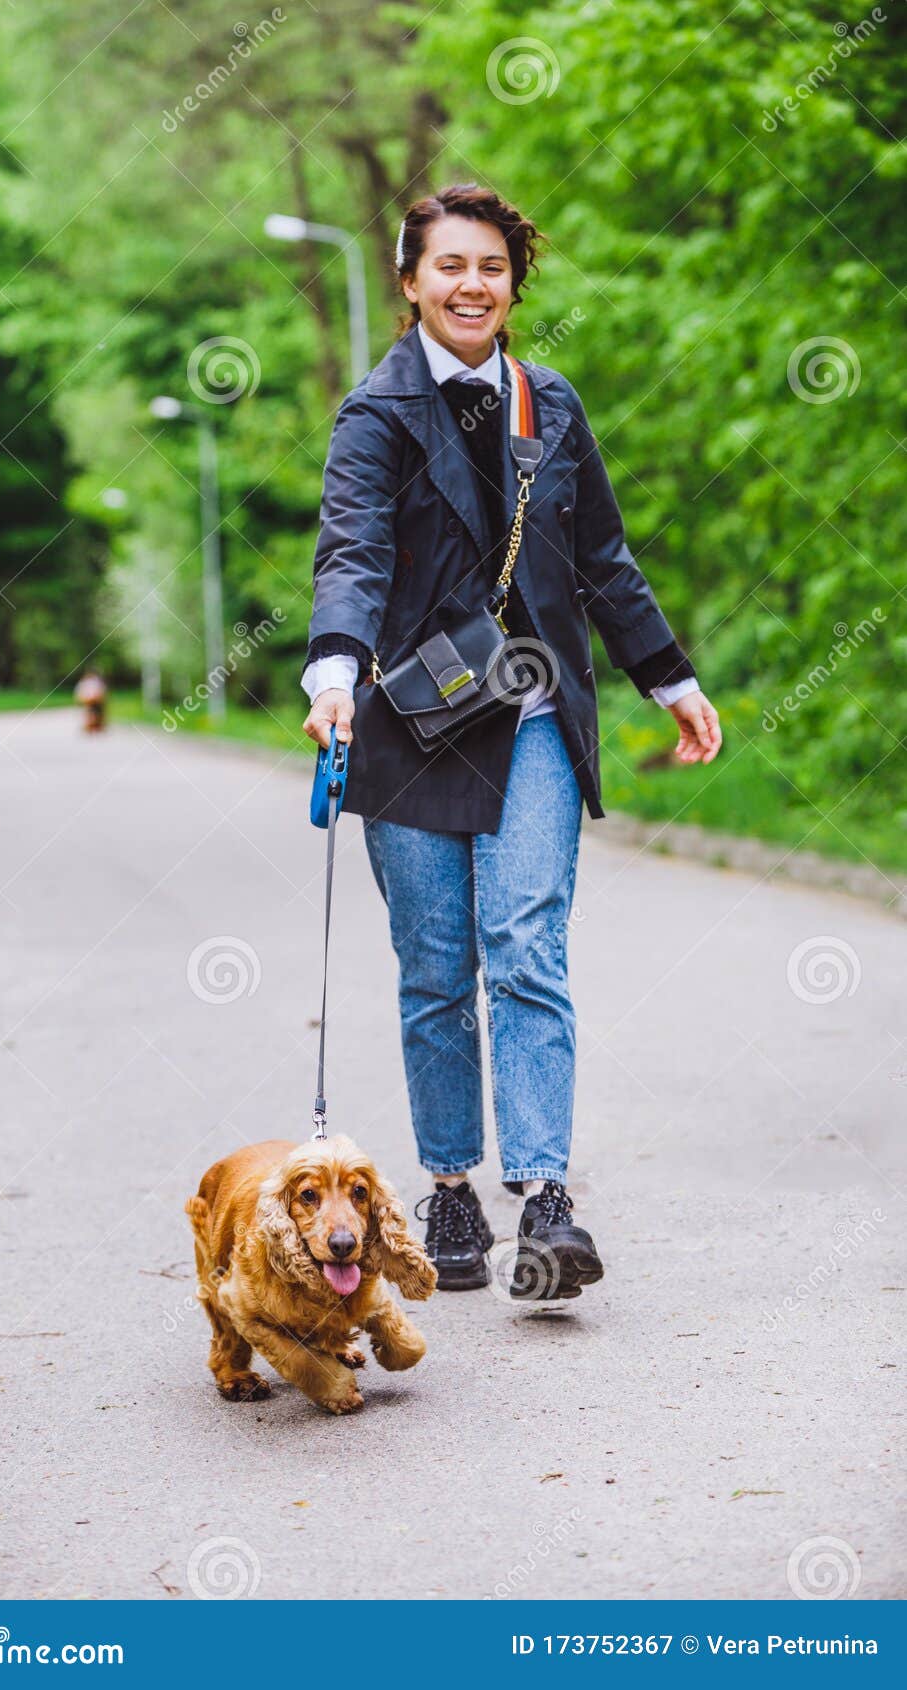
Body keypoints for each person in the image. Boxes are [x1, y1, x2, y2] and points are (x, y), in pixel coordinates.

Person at [300, 183, 721, 1302]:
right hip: (414, 720)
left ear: (511, 282)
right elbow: (350, 551)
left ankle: (542, 1199)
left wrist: (666, 677)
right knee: (437, 972)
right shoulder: (375, 414)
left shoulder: (550, 404)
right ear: (408, 281)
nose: (470, 284)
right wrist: (333, 671)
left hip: (529, 709)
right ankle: (447, 1186)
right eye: (448, 266)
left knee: (523, 945)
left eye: (490, 266)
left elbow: (601, 561)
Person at [74, 668, 108, 732]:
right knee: (88, 709)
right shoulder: (83, 683)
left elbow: (103, 693)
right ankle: (90, 724)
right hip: (87, 702)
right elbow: (79, 695)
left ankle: (97, 723)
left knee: (97, 709)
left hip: (97, 701)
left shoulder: (98, 682)